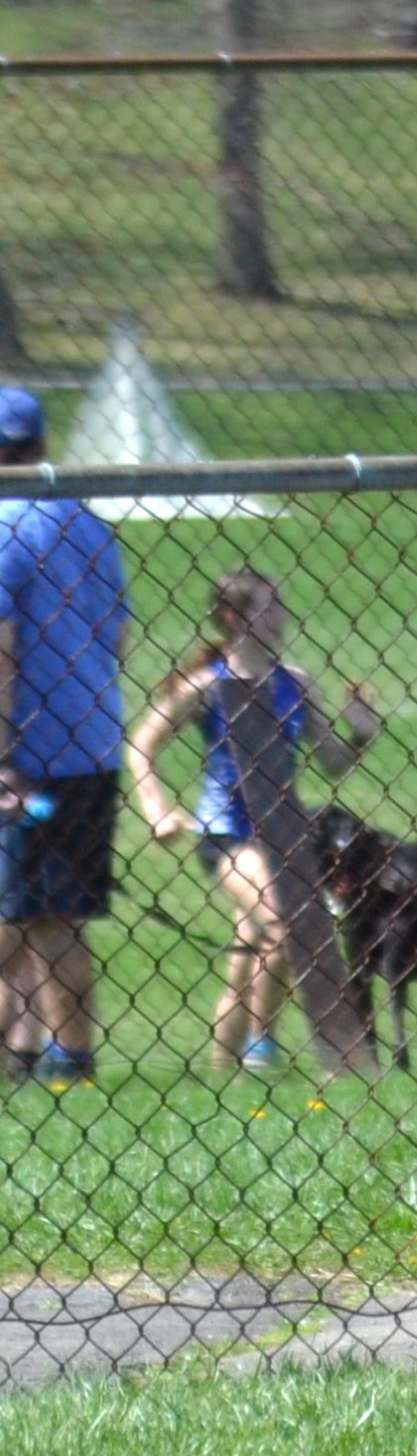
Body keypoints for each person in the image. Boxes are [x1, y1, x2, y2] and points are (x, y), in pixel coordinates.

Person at [127, 569, 378, 1073]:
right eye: (267, 607)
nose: (280, 617)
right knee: (284, 921)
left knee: (248, 959)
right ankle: (261, 1047)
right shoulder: (207, 686)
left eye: (280, 605)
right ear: (231, 617)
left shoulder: (295, 682)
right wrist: (158, 811)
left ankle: (223, 1076)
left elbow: (331, 760)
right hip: (227, 833)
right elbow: (141, 746)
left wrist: (361, 731)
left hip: (282, 832)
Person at [0, 386, 127, 1091]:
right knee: (63, 912)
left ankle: (51, 1059)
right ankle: (69, 1060)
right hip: (93, 741)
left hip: (25, 754)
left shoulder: (1, 527)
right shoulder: (88, 523)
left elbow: (1, 650)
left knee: (21, 910)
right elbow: (118, 634)